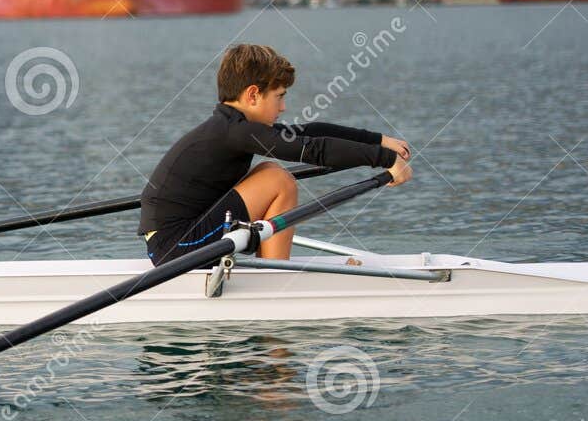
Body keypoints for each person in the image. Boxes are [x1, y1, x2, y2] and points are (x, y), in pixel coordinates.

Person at [139, 43, 412, 264]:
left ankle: (271, 267)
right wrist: (385, 161)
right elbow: (312, 150)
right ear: (253, 95)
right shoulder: (236, 132)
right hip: (176, 247)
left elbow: (309, 132)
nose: (282, 107)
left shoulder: (232, 126)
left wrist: (379, 140)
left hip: (175, 238)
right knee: (278, 180)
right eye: (279, 96)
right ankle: (275, 276)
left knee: (270, 171)